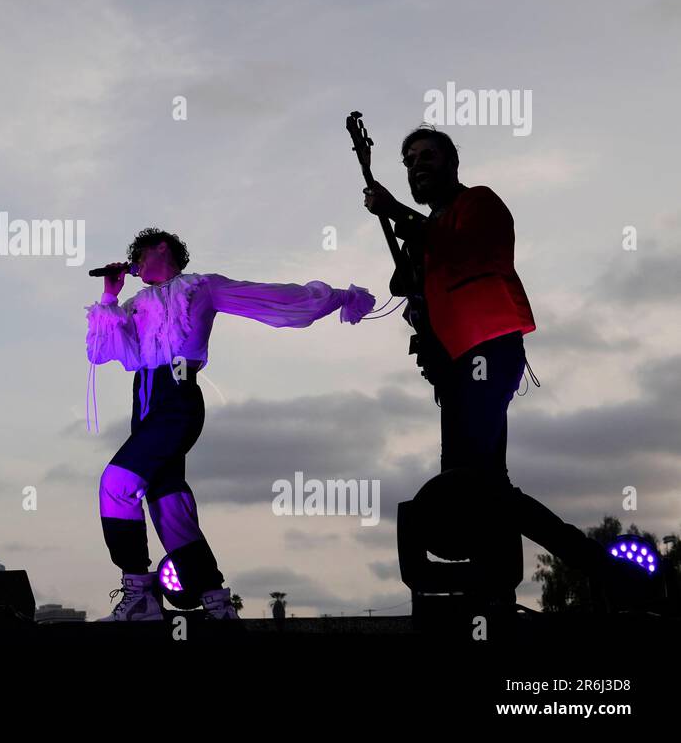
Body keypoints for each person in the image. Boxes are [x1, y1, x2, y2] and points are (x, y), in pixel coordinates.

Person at [363, 126, 610, 600]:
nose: (417, 164)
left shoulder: (478, 204)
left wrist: (396, 212)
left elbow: (467, 251)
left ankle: (594, 569)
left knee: (470, 482)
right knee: (483, 485)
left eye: (427, 155)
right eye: (410, 159)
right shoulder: (431, 230)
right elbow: (414, 285)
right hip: (458, 363)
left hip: (488, 351)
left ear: (452, 162)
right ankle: (511, 586)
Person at [84, 228, 377, 621]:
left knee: (116, 484)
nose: (134, 260)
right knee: (169, 506)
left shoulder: (200, 287)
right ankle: (218, 604)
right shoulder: (135, 304)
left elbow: (271, 297)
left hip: (177, 399)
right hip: (144, 406)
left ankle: (139, 593)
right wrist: (110, 294)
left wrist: (342, 297)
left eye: (138, 251)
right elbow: (100, 350)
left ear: (161, 247)